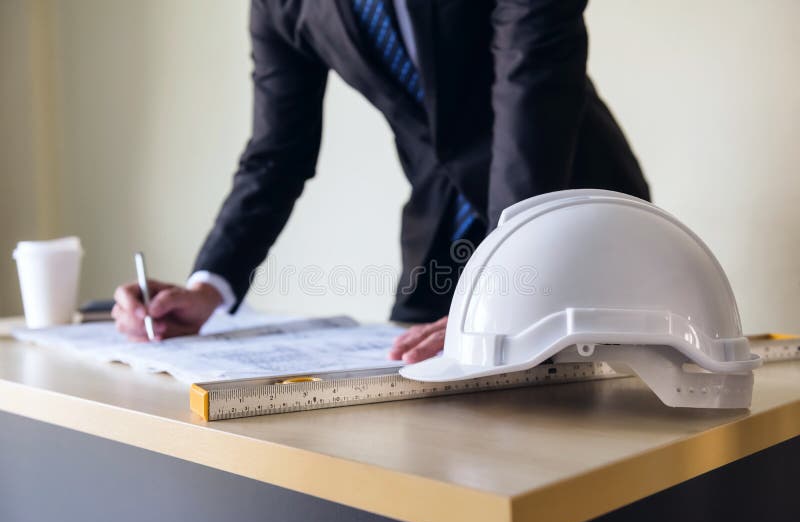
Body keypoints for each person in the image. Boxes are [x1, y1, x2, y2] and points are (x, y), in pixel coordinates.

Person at [113, 0, 649, 363]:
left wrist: (501, 293)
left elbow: (530, 77)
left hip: (568, 208)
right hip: (440, 228)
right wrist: (210, 287)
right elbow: (276, 151)